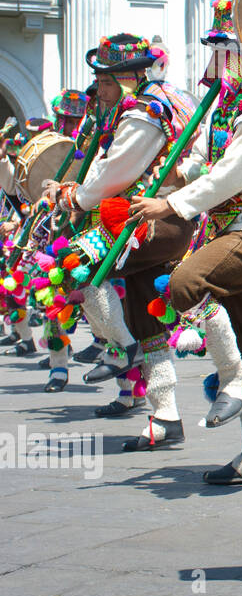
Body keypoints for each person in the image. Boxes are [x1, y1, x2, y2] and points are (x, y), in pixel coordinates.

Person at [130, 0, 242, 475]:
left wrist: (173, 204)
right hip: (229, 229)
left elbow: (228, 175)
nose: (217, 61)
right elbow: (197, 164)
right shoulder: (225, 109)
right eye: (216, 51)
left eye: (227, 51)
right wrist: (162, 183)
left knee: (185, 285)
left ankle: (233, 381)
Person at [43, 35, 197, 436]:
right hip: (158, 220)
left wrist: (72, 196)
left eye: (107, 80)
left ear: (129, 77)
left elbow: (116, 174)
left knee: (76, 264)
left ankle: (119, 348)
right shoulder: (159, 102)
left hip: (151, 221)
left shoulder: (143, 113)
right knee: (147, 320)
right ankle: (166, 415)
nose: (101, 88)